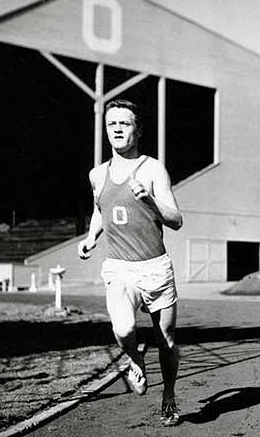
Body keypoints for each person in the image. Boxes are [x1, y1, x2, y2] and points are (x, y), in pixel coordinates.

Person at [77, 99, 183, 427]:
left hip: (155, 267)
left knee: (166, 339)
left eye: (125, 123)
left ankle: (169, 396)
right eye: (112, 124)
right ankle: (136, 361)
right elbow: (101, 208)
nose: (119, 129)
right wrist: (91, 238)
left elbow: (177, 220)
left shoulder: (152, 169)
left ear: (138, 130)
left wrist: (149, 200)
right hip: (120, 268)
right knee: (123, 328)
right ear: (106, 130)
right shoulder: (97, 175)